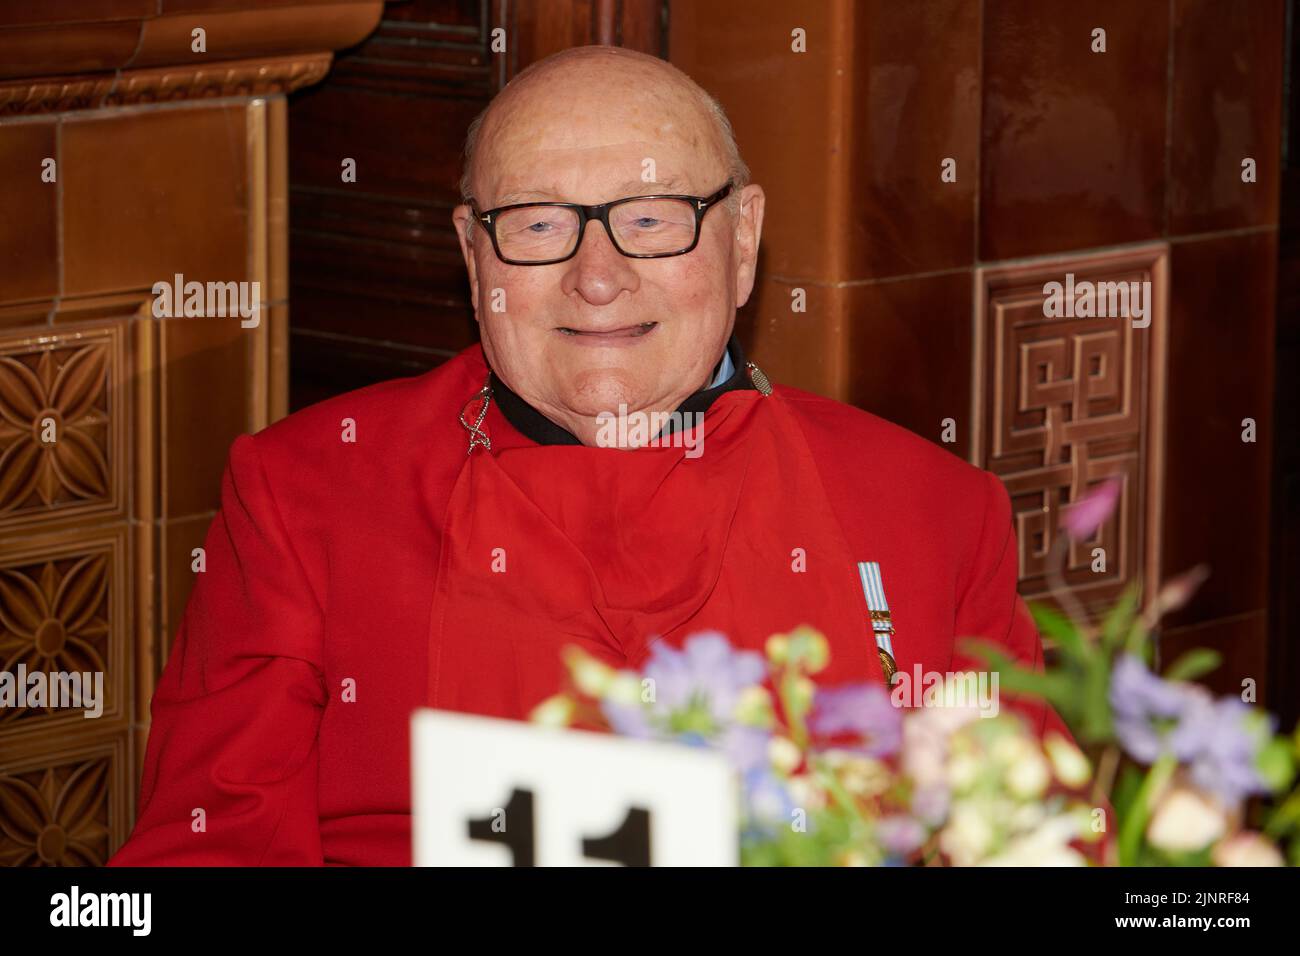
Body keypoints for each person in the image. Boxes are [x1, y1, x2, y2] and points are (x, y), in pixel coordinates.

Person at [109, 45, 1065, 866]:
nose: (597, 276)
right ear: (473, 256)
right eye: (536, 222)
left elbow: (1041, 842)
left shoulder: (929, 511)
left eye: (651, 216)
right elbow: (206, 849)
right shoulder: (306, 494)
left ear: (743, 242)